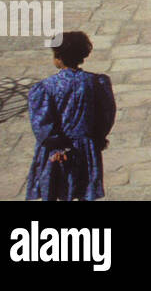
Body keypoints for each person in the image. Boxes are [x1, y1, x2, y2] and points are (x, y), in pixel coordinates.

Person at [25, 31, 116, 201]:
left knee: (56, 189)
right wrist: (97, 137)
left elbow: (41, 123)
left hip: (57, 150)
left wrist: (56, 146)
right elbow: (106, 114)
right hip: (86, 147)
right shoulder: (96, 82)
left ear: (58, 57)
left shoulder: (46, 87)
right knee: (84, 191)